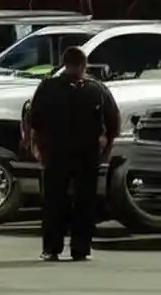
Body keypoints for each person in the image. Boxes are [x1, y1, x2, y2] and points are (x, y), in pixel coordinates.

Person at [29, 46, 121, 262]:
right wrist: (105, 149)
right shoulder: (93, 90)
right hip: (77, 154)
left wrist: (38, 148)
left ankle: (60, 248)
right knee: (74, 202)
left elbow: (35, 120)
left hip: (65, 153)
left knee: (62, 201)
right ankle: (72, 248)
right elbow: (112, 122)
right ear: (82, 65)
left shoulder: (50, 87)